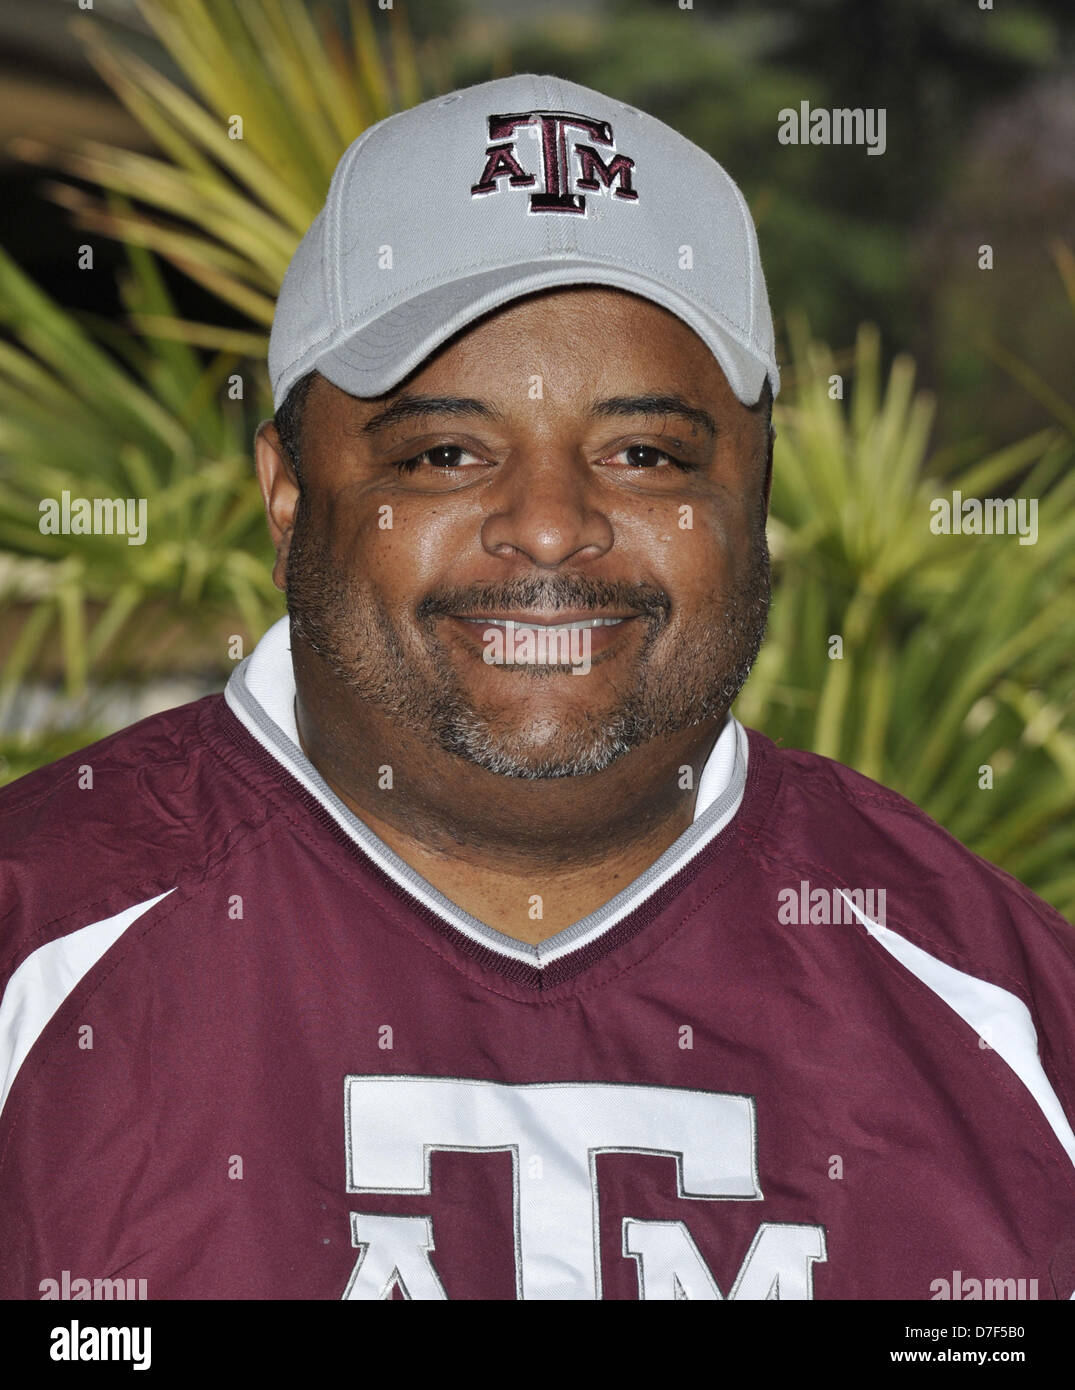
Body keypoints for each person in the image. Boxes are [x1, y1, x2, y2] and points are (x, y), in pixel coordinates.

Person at [1, 73, 1072, 1303]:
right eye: (445, 454)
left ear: (757, 493)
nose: (552, 530)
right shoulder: (34, 955)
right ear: (289, 494)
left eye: (644, 453)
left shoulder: (1011, 1024)